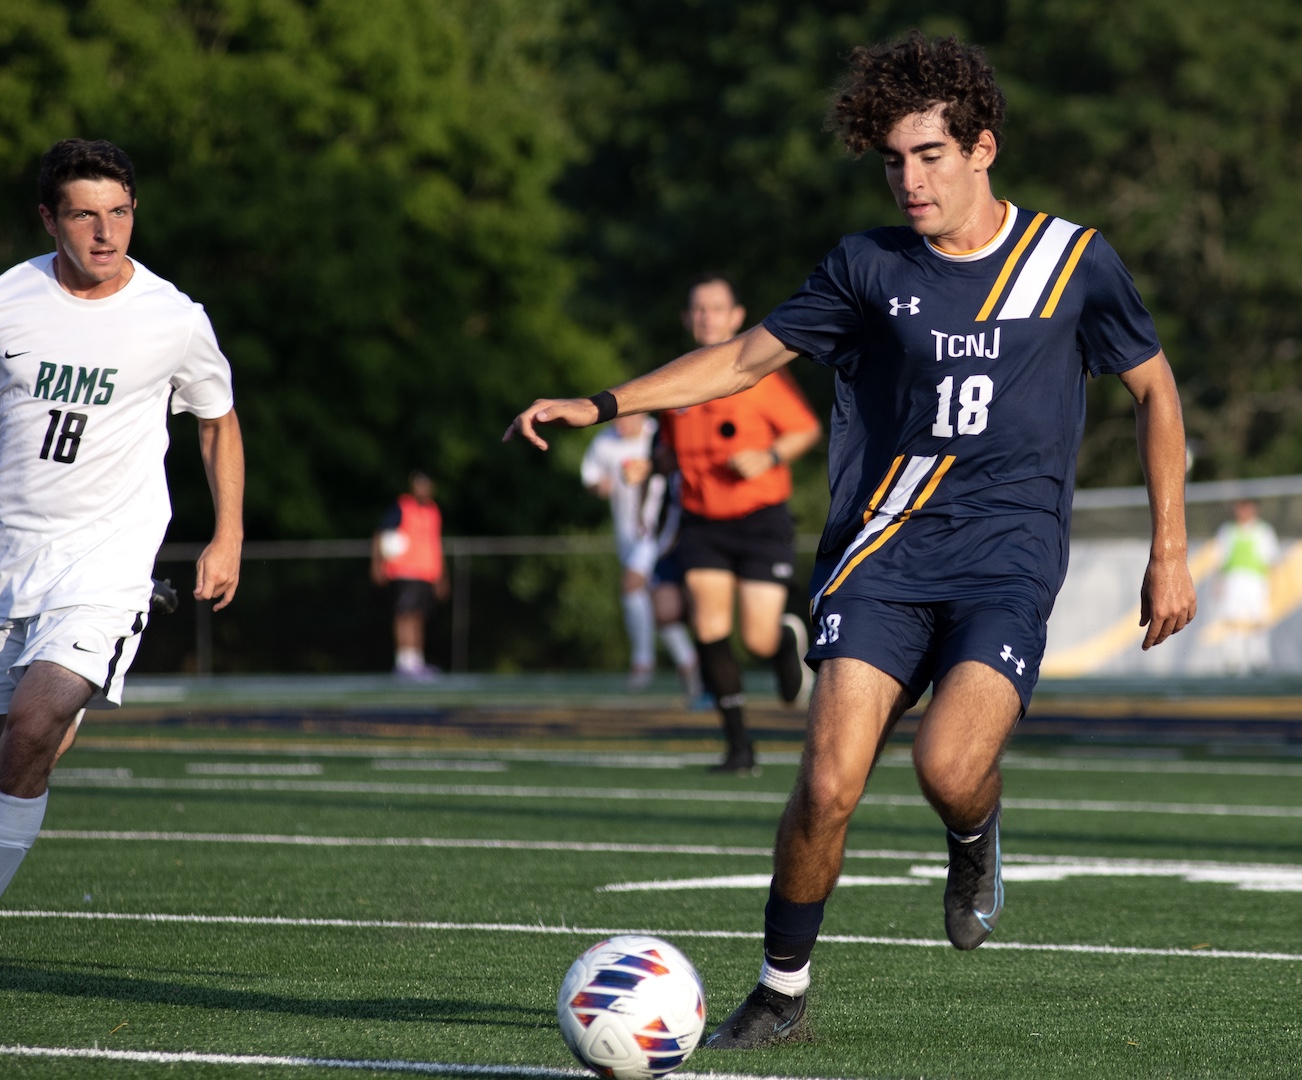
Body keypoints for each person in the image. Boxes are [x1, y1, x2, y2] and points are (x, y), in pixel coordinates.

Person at [505, 31, 1194, 1049]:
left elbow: (1154, 389)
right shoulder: (866, 265)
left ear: (982, 149)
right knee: (828, 782)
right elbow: (742, 358)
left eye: (929, 156)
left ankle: (975, 833)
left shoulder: (1073, 262)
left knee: (948, 769)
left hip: (1006, 560)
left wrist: (1169, 548)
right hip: (881, 554)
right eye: (892, 160)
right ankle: (781, 990)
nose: (908, 179)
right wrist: (605, 403)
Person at [0, 139, 244, 946]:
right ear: (47, 219)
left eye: (120, 212)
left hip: (110, 562)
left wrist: (227, 534)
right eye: (85, 215)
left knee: (31, 726)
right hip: (6, 563)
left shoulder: (172, 318)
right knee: (20, 758)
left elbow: (217, 421)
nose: (105, 232)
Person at [658, 275, 822, 774]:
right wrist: (652, 465)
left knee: (755, 638)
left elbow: (805, 429)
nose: (707, 317)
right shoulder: (676, 380)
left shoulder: (759, 374)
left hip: (759, 521)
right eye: (698, 309)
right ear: (688, 320)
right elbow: (668, 449)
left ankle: (783, 643)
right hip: (702, 521)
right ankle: (738, 747)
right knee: (707, 625)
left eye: (717, 309)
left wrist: (768, 454)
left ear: (735, 316)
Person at [580, 412, 700, 695]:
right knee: (658, 602)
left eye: (625, 418)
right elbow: (590, 476)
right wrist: (600, 486)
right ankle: (689, 662)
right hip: (626, 535)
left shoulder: (657, 435)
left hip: (657, 532)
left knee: (631, 584)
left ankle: (642, 663)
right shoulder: (604, 442)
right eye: (616, 419)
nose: (619, 424)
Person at [371, 471, 446, 680]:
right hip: (404, 571)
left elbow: (435, 544)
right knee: (405, 614)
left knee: (418, 616)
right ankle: (404, 662)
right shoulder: (402, 506)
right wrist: (377, 564)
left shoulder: (433, 511)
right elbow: (381, 533)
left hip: (426, 573)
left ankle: (416, 661)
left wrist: (441, 576)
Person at [1214, 500, 1280, 673]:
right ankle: (1232, 659)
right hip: (1233, 581)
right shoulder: (1227, 531)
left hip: (1256, 581)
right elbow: (1220, 561)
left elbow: (1271, 561)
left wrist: (1273, 584)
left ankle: (1259, 659)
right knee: (1231, 620)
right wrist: (1218, 584)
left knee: (1259, 620)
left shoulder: (1264, 531)